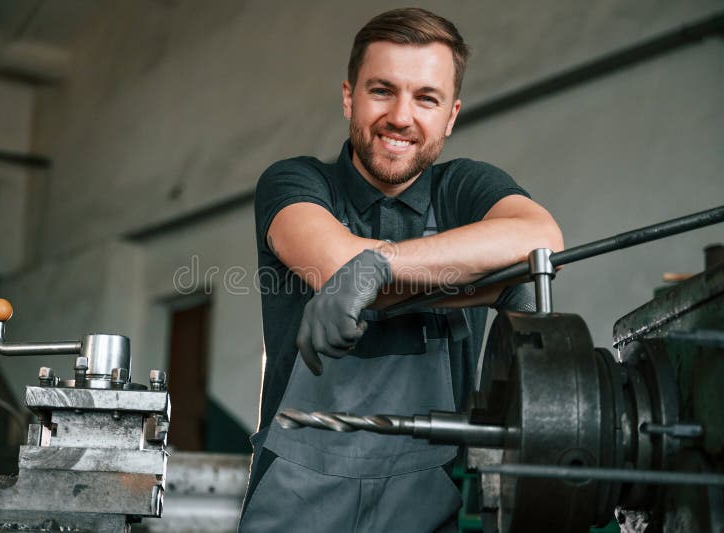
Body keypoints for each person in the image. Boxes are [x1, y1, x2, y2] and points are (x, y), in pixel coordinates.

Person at [239, 7, 563, 532]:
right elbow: (339, 268)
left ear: (451, 115)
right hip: (297, 498)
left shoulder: (465, 189)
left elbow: (540, 240)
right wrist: (485, 281)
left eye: (426, 98)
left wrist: (382, 265)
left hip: (431, 500)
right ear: (350, 96)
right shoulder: (296, 182)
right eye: (382, 90)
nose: (401, 117)